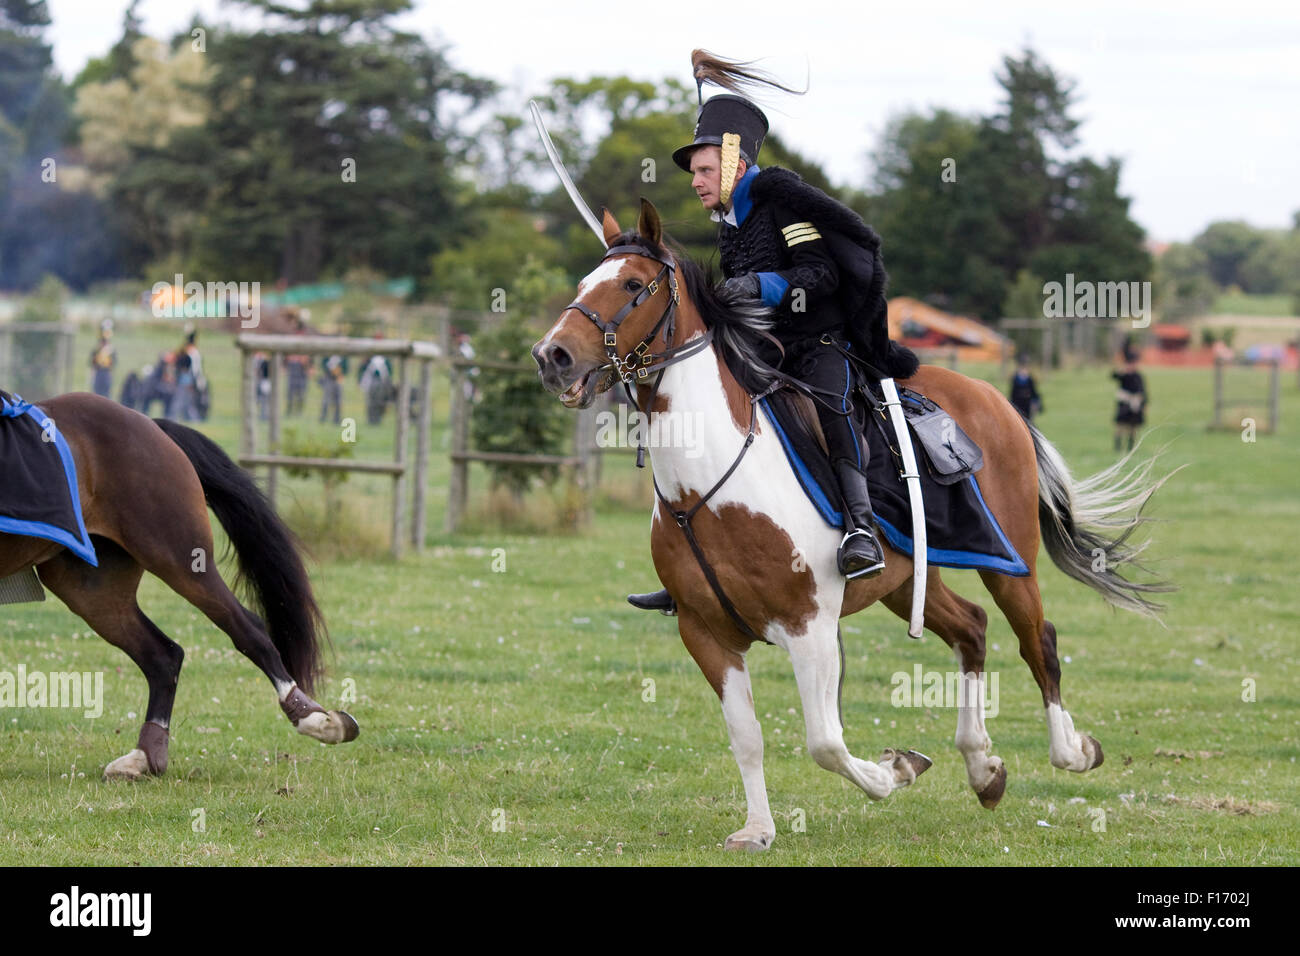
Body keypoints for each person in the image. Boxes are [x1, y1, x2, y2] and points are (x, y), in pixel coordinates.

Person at [628, 52, 918, 616]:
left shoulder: (780, 200)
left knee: (831, 404)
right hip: (763, 350)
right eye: (693, 174)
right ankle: (693, 561)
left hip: (820, 344)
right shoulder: (728, 225)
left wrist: (762, 285)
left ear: (735, 162)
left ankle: (860, 529)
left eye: (705, 170)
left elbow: (822, 272)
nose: (696, 182)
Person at [1112, 341, 1146, 452]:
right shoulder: (1123, 375)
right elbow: (1113, 376)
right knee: (1120, 425)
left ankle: (1130, 447)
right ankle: (1117, 446)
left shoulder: (1138, 376)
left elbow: (1142, 391)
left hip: (1134, 403)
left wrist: (1143, 403)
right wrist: (1120, 369)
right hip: (1124, 402)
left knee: (1133, 427)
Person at [1008, 354, 1042, 421]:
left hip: (1027, 405)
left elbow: (1034, 392)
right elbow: (1012, 393)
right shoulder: (1015, 378)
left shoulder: (1030, 379)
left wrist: (1036, 402)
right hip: (1017, 405)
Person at [89, 321, 116, 398]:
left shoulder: (111, 349)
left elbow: (113, 362)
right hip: (98, 372)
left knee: (106, 394)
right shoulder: (97, 348)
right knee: (96, 394)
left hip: (106, 372)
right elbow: (92, 362)